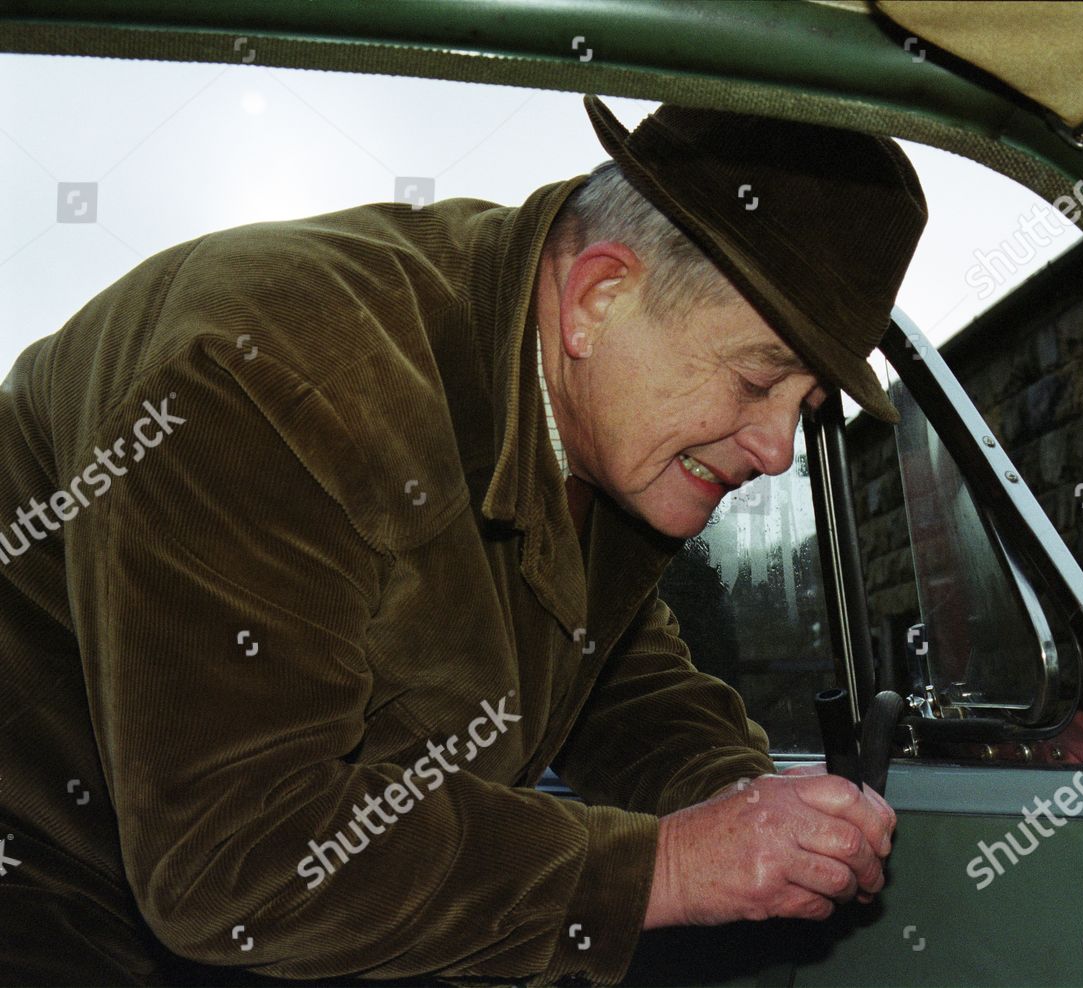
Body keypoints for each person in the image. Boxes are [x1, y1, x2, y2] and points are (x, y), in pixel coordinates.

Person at [0, 93, 927, 985]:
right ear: (599, 297)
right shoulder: (271, 382)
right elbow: (233, 860)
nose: (774, 451)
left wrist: (736, 801)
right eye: (758, 381)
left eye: (805, 408)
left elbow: (611, 674)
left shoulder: (601, 429)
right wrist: (668, 869)